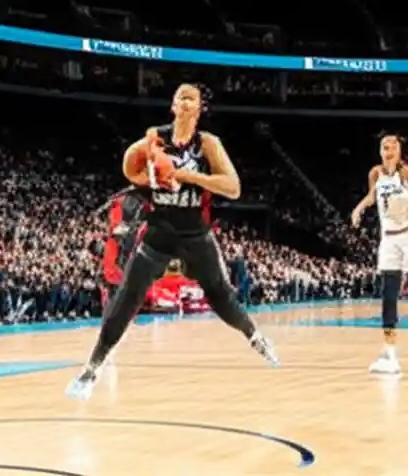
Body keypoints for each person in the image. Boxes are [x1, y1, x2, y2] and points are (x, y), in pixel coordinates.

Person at [65, 84, 278, 401]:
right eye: (181, 97)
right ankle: (91, 369)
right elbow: (128, 166)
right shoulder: (156, 138)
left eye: (192, 98)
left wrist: (188, 176)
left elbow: (233, 187)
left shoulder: (207, 144)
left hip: (196, 234)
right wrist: (146, 171)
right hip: (159, 232)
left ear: (199, 109)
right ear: (173, 105)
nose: (186, 101)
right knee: (127, 297)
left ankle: (254, 335)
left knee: (221, 297)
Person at [350, 134, 408, 377]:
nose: (388, 150)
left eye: (392, 147)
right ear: (380, 151)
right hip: (389, 237)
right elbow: (373, 195)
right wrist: (359, 208)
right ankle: (390, 355)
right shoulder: (375, 173)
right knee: (388, 291)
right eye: (384, 147)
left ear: (400, 151)